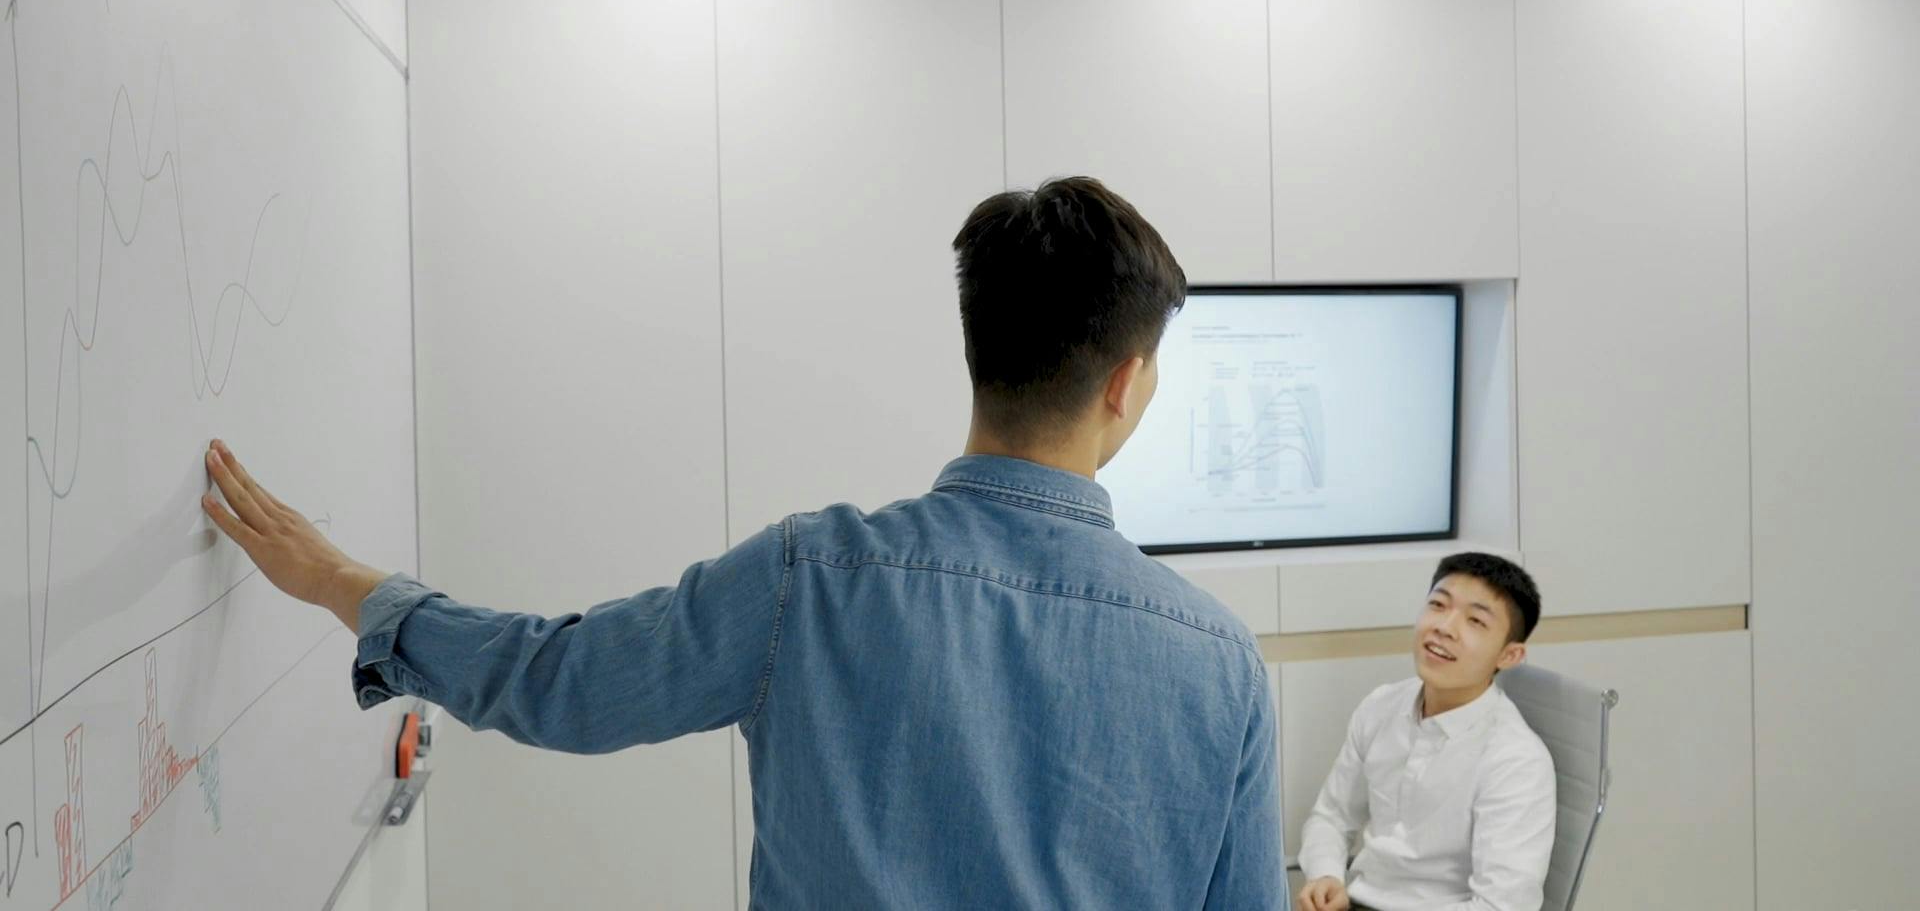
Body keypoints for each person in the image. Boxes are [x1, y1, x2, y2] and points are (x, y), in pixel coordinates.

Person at [201, 176, 1285, 909]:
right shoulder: (1221, 660)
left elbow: (559, 682)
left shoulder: (811, 580)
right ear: (1125, 381)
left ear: (976, 345)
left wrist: (350, 586)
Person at [1294, 553, 1554, 911]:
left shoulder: (1516, 760)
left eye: (1475, 620)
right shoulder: (1381, 706)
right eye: (1438, 604)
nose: (1445, 627)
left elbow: (1502, 906)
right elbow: (1332, 816)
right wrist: (1326, 875)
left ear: (1509, 655)